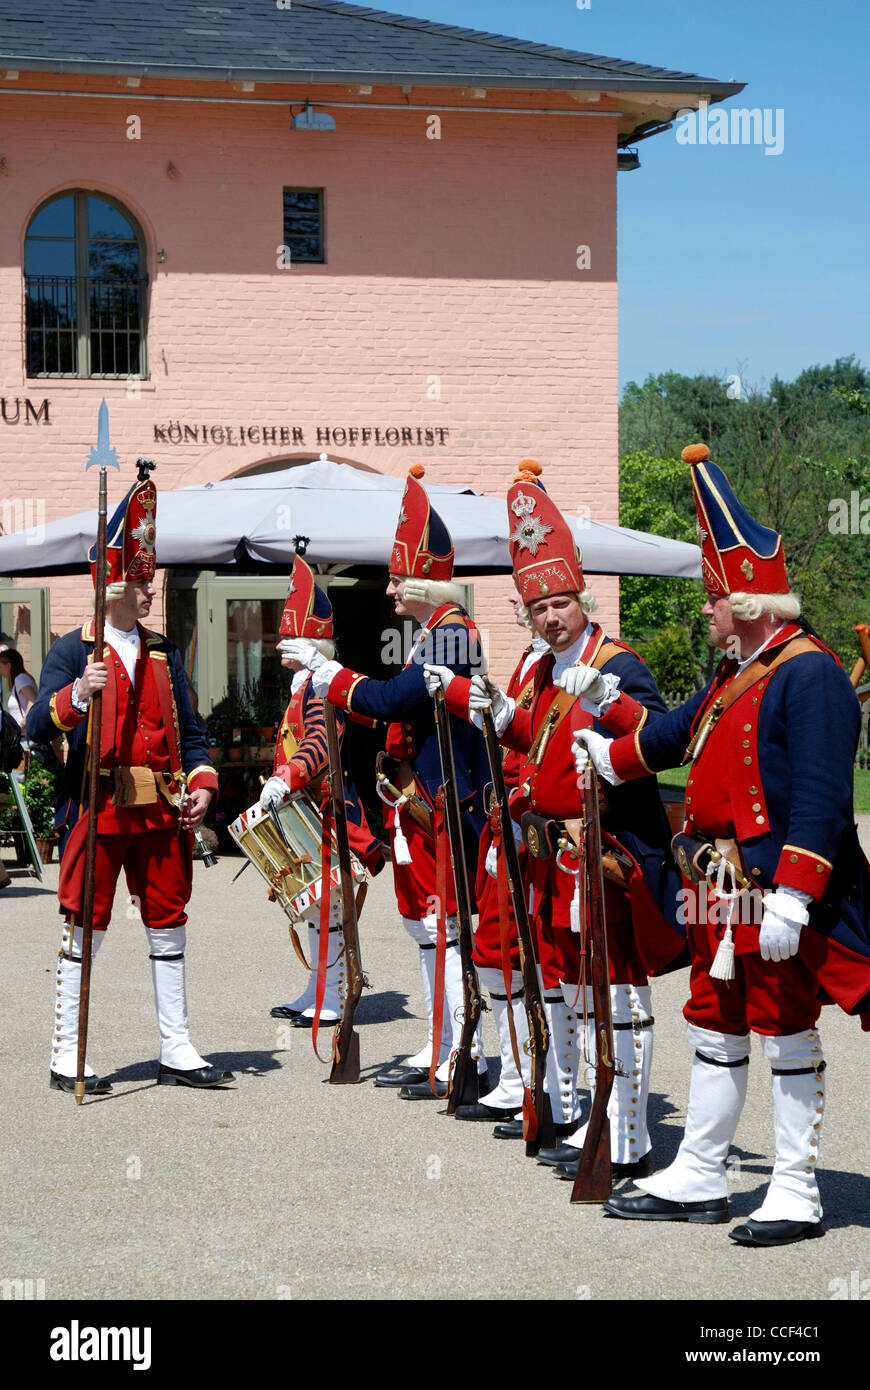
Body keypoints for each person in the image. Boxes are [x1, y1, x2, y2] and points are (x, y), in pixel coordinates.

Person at [576, 443, 870, 1246]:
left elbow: (821, 796)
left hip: (772, 889)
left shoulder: (807, 673)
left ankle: (796, 1190)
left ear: (748, 602)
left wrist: (797, 895)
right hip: (716, 884)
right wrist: (606, 736)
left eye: (712, 599)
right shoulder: (734, 670)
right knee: (713, 1019)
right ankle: (703, 1174)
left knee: (783, 1028)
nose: (703, 612)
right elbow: (669, 735)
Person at [428, 462, 685, 1170]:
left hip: (607, 853)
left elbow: (656, 742)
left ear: (583, 597)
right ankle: (582, 1112)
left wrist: (609, 700)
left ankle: (629, 1134)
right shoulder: (542, 670)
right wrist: (500, 714)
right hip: (553, 857)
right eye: (539, 608)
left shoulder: (619, 662)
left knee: (620, 995)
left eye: (561, 604)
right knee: (572, 991)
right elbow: (533, 749)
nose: (550, 616)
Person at [283, 463, 491, 1100]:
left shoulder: (454, 633)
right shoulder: (435, 631)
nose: (392, 587)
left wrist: (333, 676)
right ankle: (442, 1038)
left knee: (451, 929)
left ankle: (465, 1048)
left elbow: (398, 699)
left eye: (400, 576)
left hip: (447, 805)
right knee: (428, 928)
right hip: (418, 801)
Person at [28, 469, 233, 1094]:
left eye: (152, 581)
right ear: (113, 585)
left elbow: (192, 737)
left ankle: (177, 1044)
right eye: (142, 582)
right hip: (98, 803)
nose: (151, 591)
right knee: (84, 924)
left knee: (169, 921)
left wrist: (203, 786)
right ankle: (68, 1050)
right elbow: (37, 727)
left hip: (160, 806)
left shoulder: (166, 653)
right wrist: (74, 697)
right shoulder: (73, 649)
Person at [260, 554, 385, 1028]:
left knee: (328, 906)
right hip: (306, 808)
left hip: (326, 808)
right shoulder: (303, 684)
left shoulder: (319, 685)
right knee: (314, 907)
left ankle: (333, 996)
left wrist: (284, 778)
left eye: (290, 637)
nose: (279, 644)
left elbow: (319, 746)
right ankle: (317, 988)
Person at [0, 645, 37, 738]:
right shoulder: (22, 678)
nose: (0, 671)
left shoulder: (20, 679)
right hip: (24, 736)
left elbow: (32, 700)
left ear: (8, 666)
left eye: (0, 667)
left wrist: (22, 724)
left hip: (25, 737)